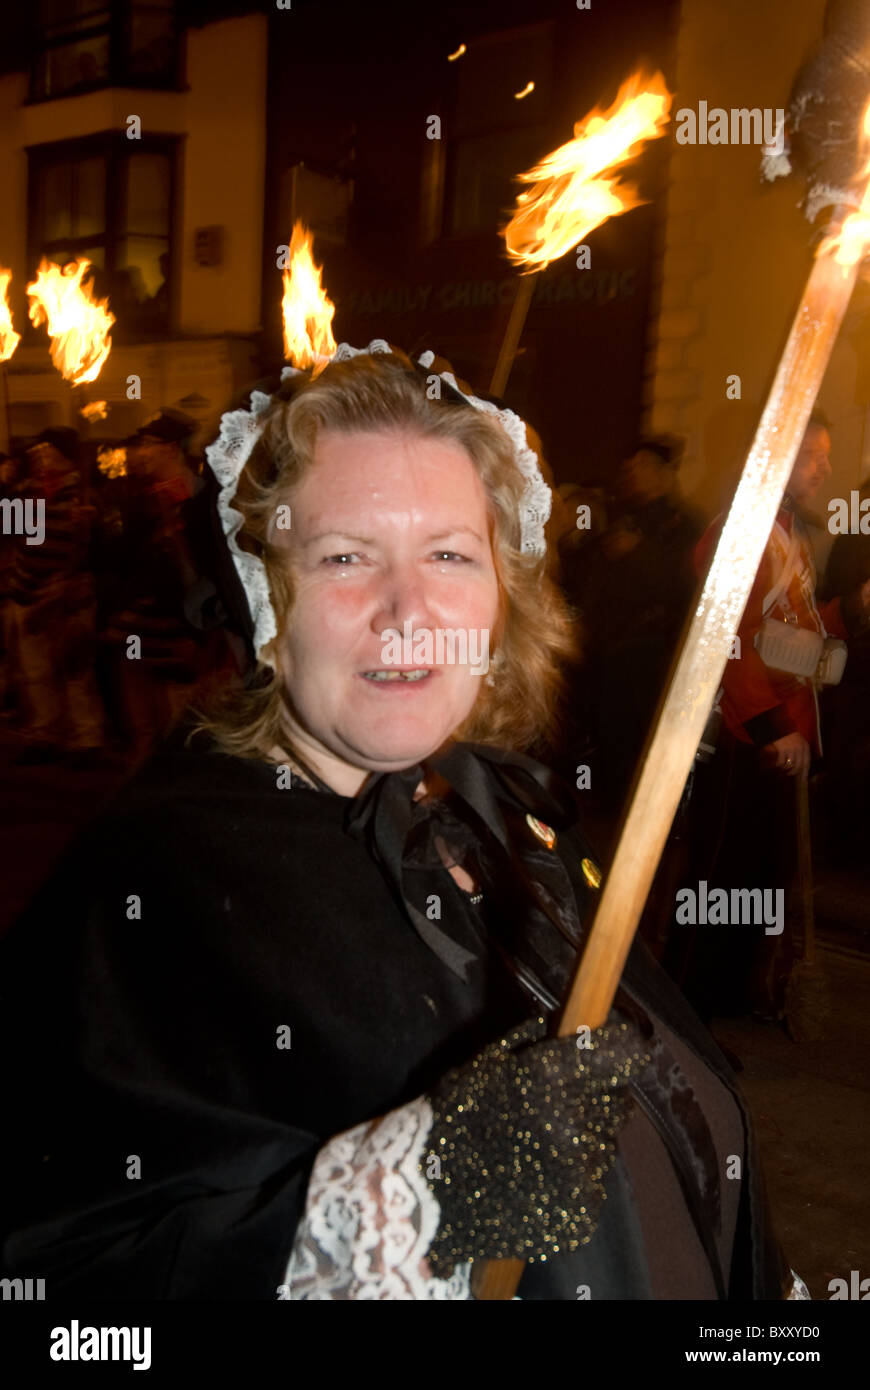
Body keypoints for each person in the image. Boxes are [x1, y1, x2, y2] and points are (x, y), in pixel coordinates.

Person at [0, 344, 800, 1300]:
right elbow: (65, 1286)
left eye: (451, 554)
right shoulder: (149, 888)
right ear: (266, 600)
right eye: (346, 557)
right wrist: (420, 1202)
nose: (409, 611)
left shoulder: (503, 806)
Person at [668, 409, 870, 1020]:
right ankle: (690, 1006)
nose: (826, 467)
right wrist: (769, 726)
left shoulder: (784, 530)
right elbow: (729, 634)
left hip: (774, 735)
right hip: (742, 738)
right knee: (720, 878)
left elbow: (793, 630)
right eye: (814, 455)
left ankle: (729, 995)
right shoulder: (745, 530)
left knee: (756, 874)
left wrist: (851, 610)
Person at [4, 427, 105, 762]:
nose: (42, 456)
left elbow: (94, 545)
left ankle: (86, 738)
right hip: (26, 589)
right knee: (35, 671)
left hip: (66, 596)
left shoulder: (85, 491)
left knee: (73, 669)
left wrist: (92, 522)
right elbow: (13, 532)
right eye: (39, 451)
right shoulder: (28, 489)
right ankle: (45, 731)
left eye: (48, 450)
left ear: (64, 454)